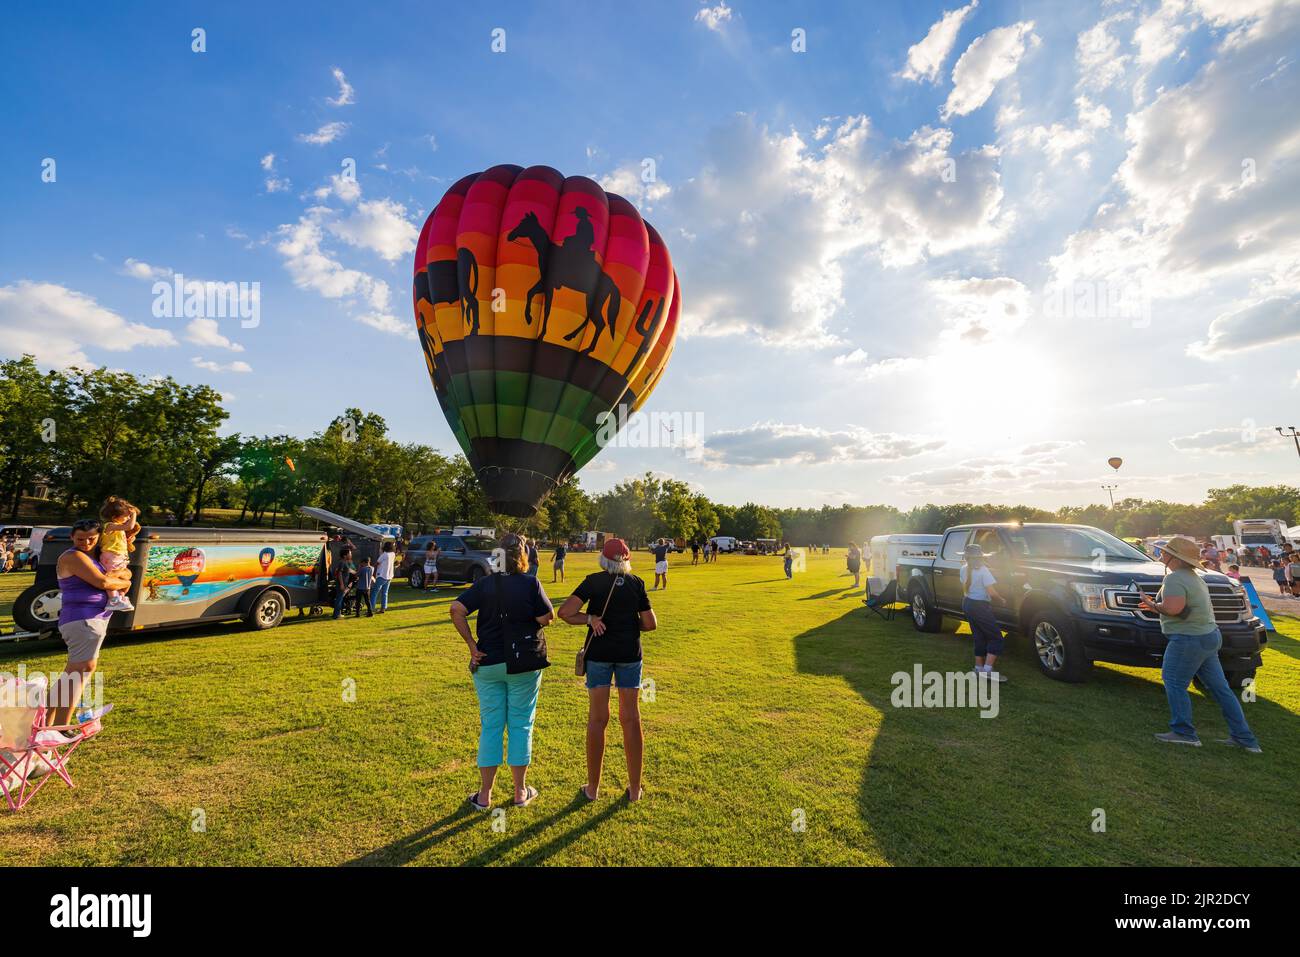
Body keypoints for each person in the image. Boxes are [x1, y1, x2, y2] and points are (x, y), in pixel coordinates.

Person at [449, 534, 554, 810]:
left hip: (488, 661)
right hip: (524, 662)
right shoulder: (531, 582)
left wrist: (472, 646)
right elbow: (547, 617)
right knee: (521, 724)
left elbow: (456, 609)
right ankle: (520, 792)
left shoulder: (485, 583)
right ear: (523, 556)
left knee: (492, 726)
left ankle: (484, 796)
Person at [1137, 536, 1261, 751]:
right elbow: (1186, 608)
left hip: (1188, 639)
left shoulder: (1175, 579)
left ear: (1173, 557)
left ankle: (1184, 732)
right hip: (1208, 636)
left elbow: (1174, 609)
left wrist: (1152, 604)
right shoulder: (1194, 577)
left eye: (1164, 552)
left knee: (1174, 681)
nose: (1161, 555)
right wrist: (1159, 605)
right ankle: (1245, 739)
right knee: (1221, 689)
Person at [559, 538, 656, 802]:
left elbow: (565, 612)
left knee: (597, 720)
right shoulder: (636, 583)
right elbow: (650, 623)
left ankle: (592, 789)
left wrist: (591, 619)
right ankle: (635, 790)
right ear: (626, 559)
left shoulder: (593, 581)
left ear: (603, 558)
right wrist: (628, 622)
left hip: (599, 655)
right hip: (629, 654)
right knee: (631, 719)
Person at [48, 519, 132, 728]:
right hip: (82, 619)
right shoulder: (73, 556)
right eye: (80, 539)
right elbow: (103, 582)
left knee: (76, 672)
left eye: (91, 538)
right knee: (79, 671)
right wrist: (126, 583)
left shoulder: (96, 557)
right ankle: (59, 725)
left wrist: (123, 577)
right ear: (71, 538)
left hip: (92, 619)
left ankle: (49, 723)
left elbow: (123, 571)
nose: (86, 542)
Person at [960, 543, 1007, 682]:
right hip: (979, 606)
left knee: (979, 636)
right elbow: (991, 592)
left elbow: (964, 586)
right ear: (979, 557)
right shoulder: (983, 570)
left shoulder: (963, 569)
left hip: (967, 603)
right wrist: (1001, 599)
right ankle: (987, 670)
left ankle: (978, 668)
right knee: (996, 637)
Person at [98, 496, 141, 612]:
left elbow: (126, 532)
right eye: (126, 516)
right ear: (114, 517)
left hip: (119, 558)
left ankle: (120, 597)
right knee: (112, 576)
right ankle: (113, 600)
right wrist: (134, 515)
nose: (128, 518)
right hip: (111, 556)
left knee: (123, 579)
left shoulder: (118, 528)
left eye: (129, 516)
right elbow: (130, 526)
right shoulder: (110, 526)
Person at [332, 547, 355, 620]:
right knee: (339, 598)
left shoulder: (345, 562)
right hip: (341, 584)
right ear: (345, 555)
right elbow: (339, 573)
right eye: (350, 553)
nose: (351, 555)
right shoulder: (342, 562)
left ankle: (338, 613)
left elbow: (349, 570)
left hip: (344, 583)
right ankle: (336, 615)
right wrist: (342, 584)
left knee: (340, 598)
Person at [373, 541, 395, 613]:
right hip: (389, 576)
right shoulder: (393, 554)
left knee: (374, 592)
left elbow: (377, 563)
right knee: (385, 592)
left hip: (381, 575)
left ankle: (371, 608)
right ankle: (383, 608)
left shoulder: (384, 555)